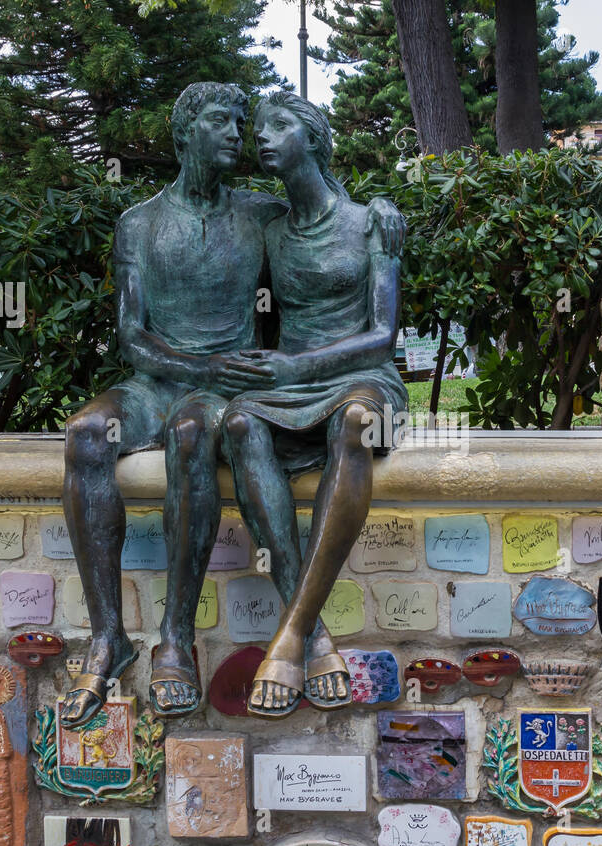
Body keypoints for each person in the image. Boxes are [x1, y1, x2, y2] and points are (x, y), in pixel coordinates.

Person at [60, 83, 404, 728]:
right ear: (184, 131)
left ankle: (176, 638)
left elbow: (321, 216)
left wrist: (378, 209)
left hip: (216, 390)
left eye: (241, 124)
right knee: (83, 434)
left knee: (195, 433)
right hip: (160, 378)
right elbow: (132, 337)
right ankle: (108, 637)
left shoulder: (259, 215)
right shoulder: (139, 223)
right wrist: (200, 364)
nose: (238, 137)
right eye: (221, 122)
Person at [221, 91, 408, 718]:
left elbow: (383, 334)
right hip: (287, 383)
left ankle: (292, 634)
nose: (262, 138)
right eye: (260, 129)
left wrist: (296, 365)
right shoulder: (269, 230)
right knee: (242, 423)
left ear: (315, 138)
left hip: (364, 376)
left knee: (355, 423)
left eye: (280, 126)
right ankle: (314, 632)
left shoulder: (371, 221)